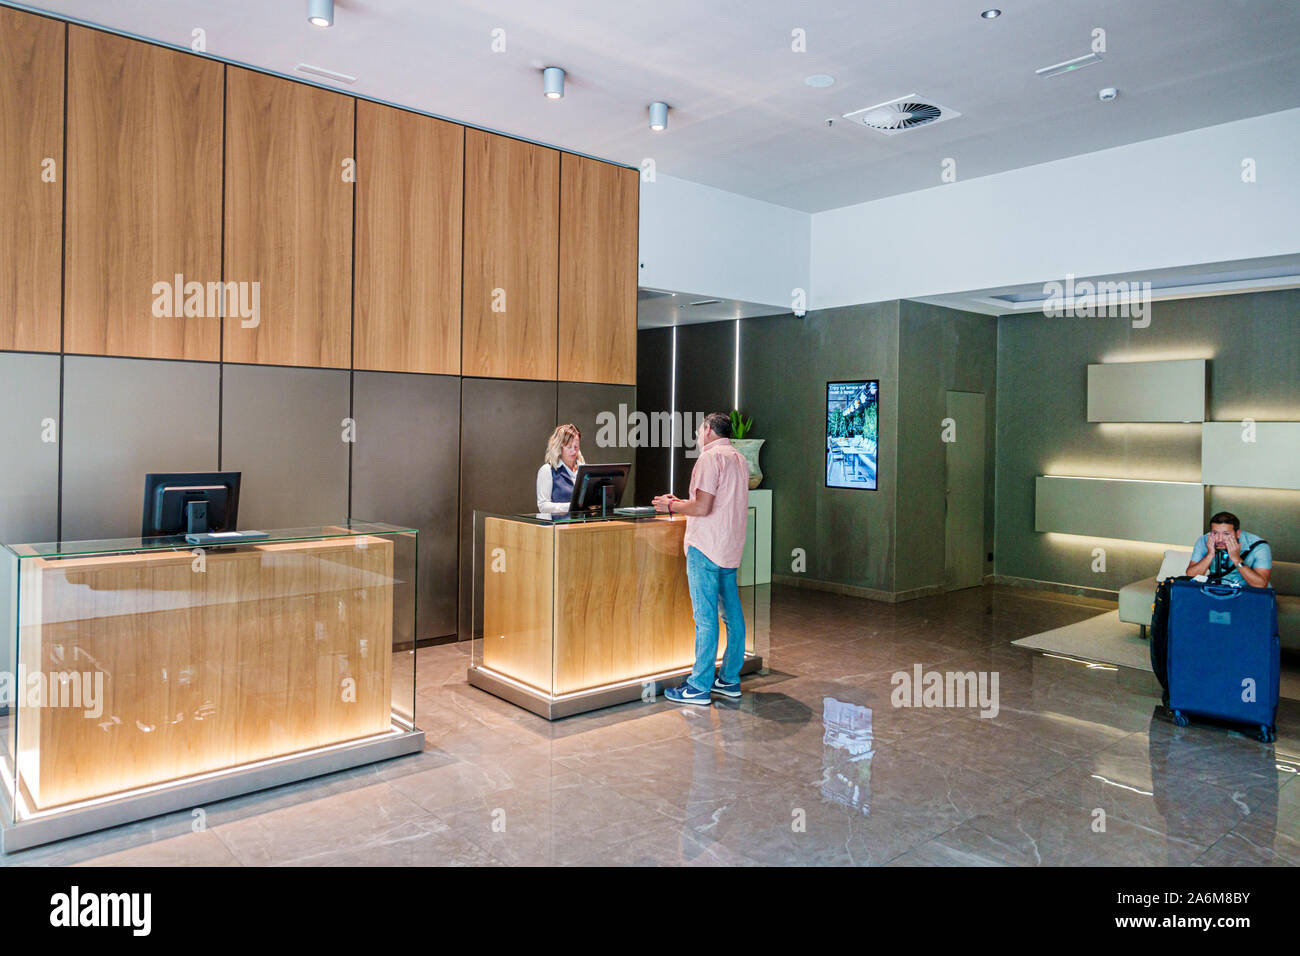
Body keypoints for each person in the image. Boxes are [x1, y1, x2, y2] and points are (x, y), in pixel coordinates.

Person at [653, 412, 750, 706]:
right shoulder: (739, 458)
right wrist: (683, 503)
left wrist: (672, 505)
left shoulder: (710, 458)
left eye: (699, 429)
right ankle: (730, 679)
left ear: (707, 429)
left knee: (705, 617)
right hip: (730, 548)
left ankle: (698, 685)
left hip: (706, 547)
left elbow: (703, 506)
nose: (698, 434)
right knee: (732, 616)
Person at [1185, 511, 1272, 588]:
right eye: (1215, 533)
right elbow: (1191, 575)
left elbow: (1260, 585)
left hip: (1248, 593)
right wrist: (1210, 554)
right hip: (1217, 591)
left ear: (1237, 533)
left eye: (1226, 534)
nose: (1219, 539)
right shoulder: (1204, 540)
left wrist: (1237, 559)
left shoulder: (1259, 546)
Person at [537, 424, 585, 514]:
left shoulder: (584, 470)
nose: (574, 451)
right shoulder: (547, 470)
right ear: (559, 447)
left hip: (583, 526)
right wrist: (571, 506)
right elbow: (543, 506)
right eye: (569, 447)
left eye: (576, 447)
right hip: (558, 526)